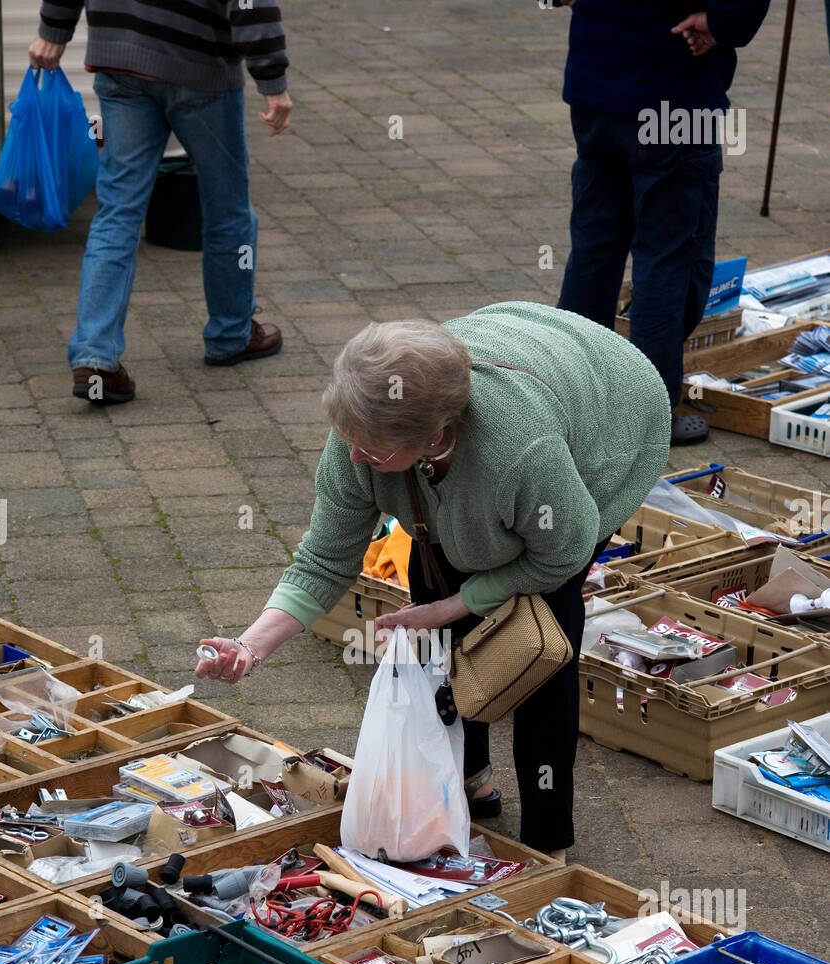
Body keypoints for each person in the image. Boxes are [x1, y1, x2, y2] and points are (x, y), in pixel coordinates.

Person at [195, 302, 671, 861]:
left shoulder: (522, 451)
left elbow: (561, 554)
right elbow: (324, 558)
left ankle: (548, 841)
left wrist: (459, 604)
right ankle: (470, 780)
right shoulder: (366, 429)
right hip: (506, 378)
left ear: (433, 436)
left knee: (539, 649)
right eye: (348, 439)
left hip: (610, 413)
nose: (353, 455)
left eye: (370, 451)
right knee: (431, 615)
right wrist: (250, 646)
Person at [29, 0, 291, 405]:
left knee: (117, 213)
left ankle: (95, 356)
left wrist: (53, 30)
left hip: (120, 62)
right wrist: (272, 80)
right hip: (199, 73)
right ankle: (230, 334)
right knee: (228, 210)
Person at [554, 2, 770, 445]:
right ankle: (647, 411)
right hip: (671, 85)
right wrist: (724, 23)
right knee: (668, 255)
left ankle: (568, 394)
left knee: (597, 245)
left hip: (599, 78)